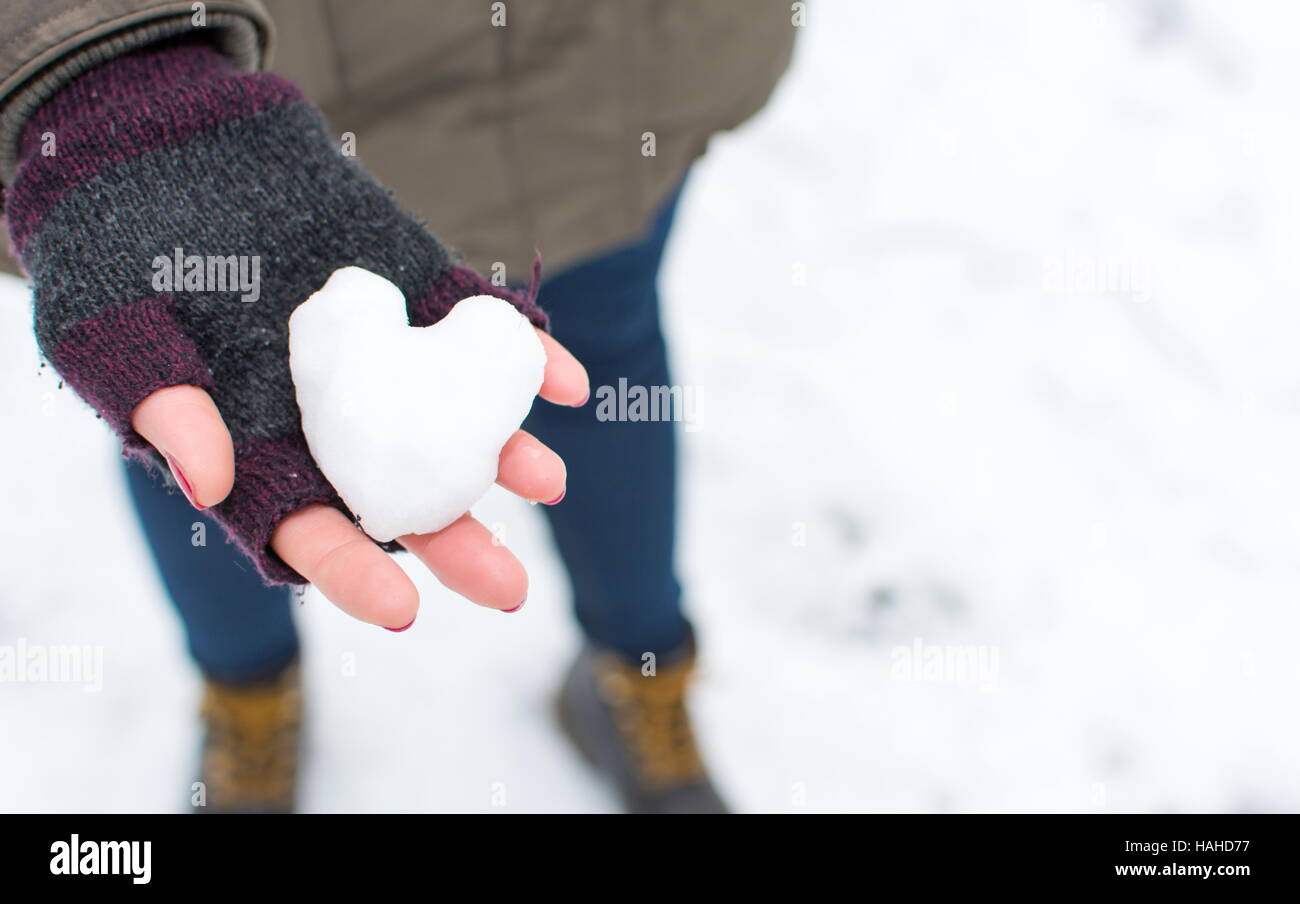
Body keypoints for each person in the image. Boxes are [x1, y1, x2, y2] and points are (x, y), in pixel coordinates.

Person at [0, 0, 795, 814]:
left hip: (607, 70)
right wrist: (103, 57)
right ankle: (248, 692)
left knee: (599, 351)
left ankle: (641, 669)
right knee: (195, 407)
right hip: (274, 78)